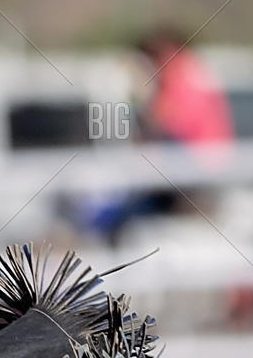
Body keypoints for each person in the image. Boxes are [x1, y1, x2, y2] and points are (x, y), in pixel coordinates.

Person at [82, 25, 233, 245]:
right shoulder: (193, 73)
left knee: (122, 218)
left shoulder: (184, 75)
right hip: (185, 180)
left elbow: (172, 125)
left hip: (193, 181)